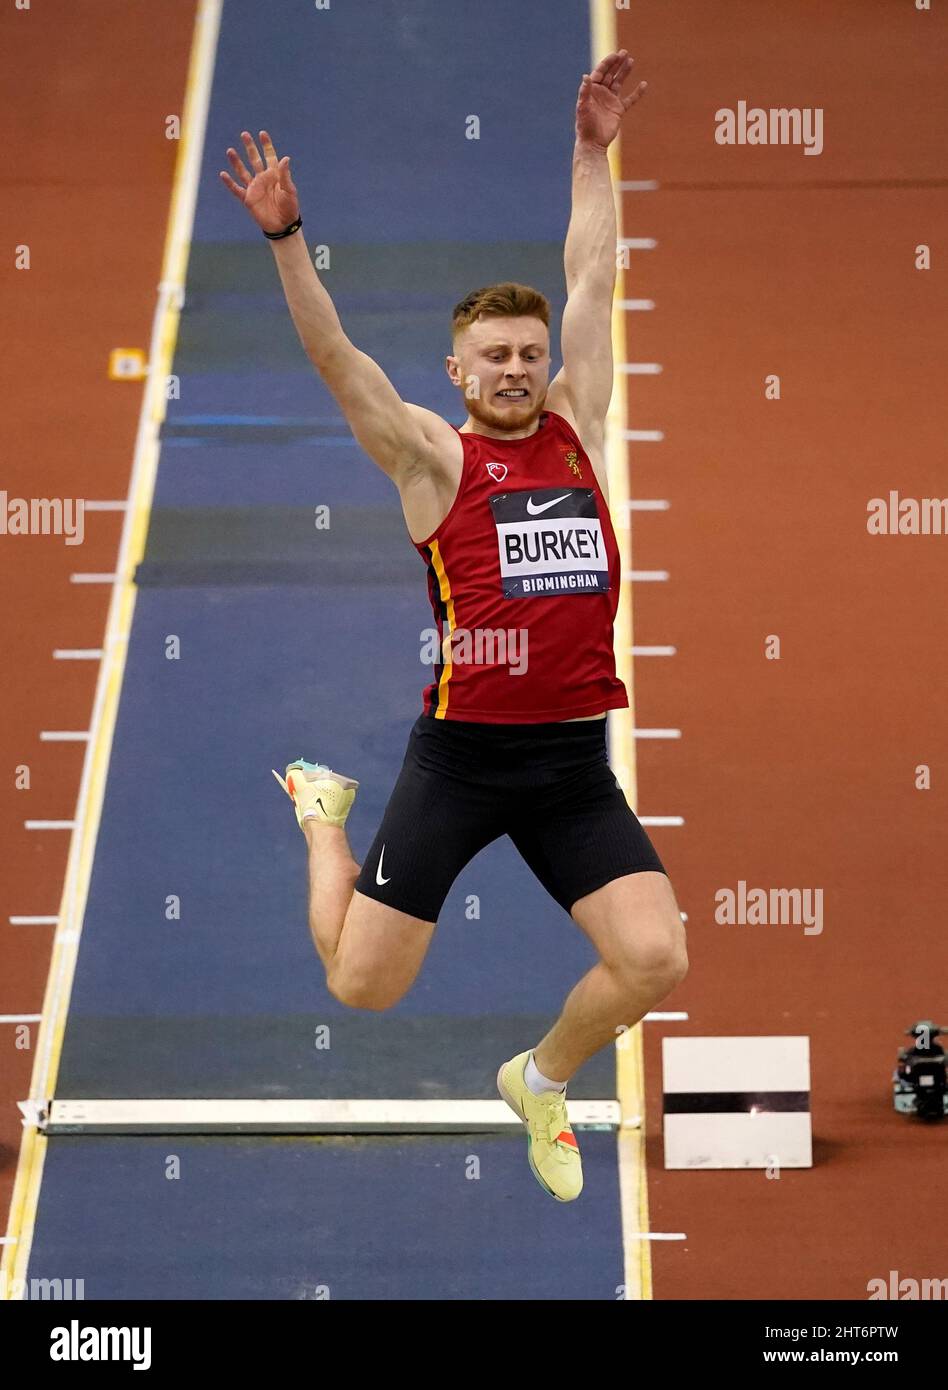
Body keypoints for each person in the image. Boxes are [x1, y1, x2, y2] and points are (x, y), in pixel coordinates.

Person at [221, 50, 687, 1202]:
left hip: (574, 764)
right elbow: (335, 358)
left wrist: (591, 150)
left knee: (655, 957)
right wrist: (288, 238)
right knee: (363, 990)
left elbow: (595, 272)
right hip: (465, 760)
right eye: (497, 358)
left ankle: (541, 1076)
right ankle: (325, 819)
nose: (521, 370)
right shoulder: (433, 456)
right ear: (458, 372)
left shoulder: (581, 421)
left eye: (532, 354)